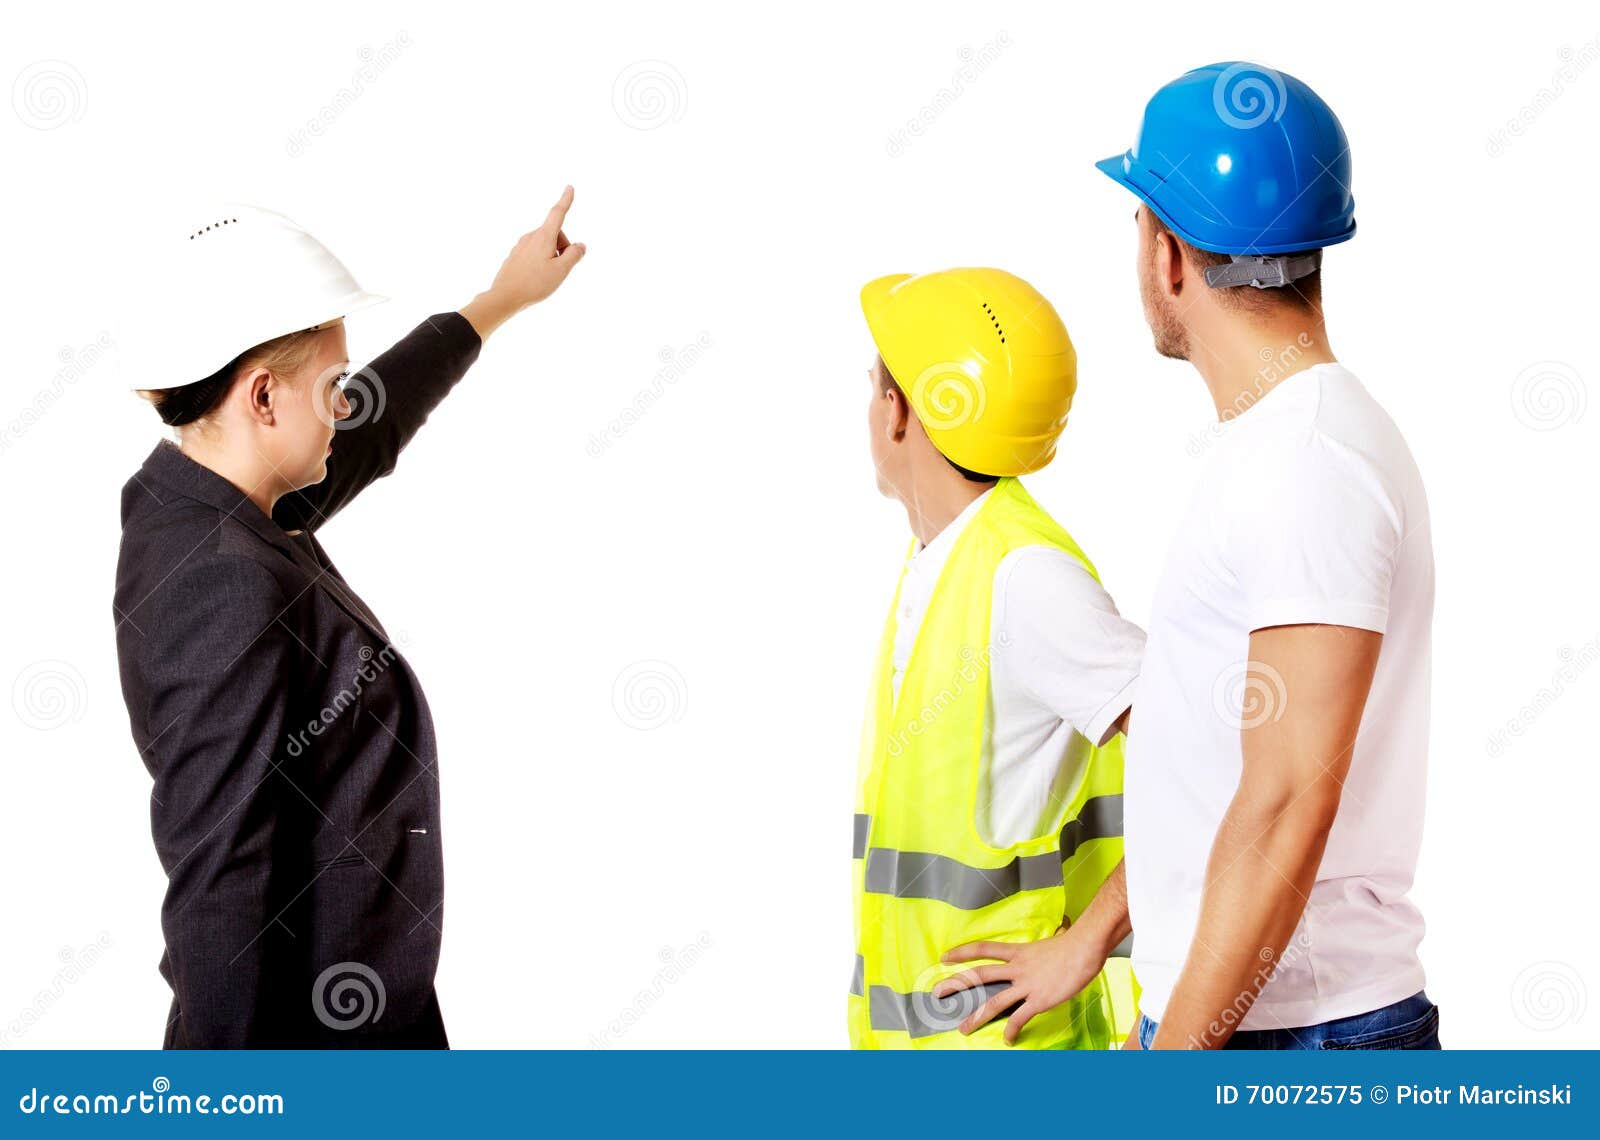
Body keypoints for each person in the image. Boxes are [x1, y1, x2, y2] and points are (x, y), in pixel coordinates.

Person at [112, 190, 586, 1047]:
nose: (346, 405)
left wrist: (498, 302)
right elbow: (222, 884)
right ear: (262, 398)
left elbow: (368, 432)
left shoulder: (201, 504)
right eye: (334, 386)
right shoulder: (221, 580)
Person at [1093, 62, 1438, 1049]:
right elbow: (1209, 773)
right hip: (1250, 1020)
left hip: (1296, 1036)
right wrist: (1108, 950)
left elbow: (1289, 796)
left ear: (1167, 254)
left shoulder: (1306, 462)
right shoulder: (1288, 446)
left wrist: (1176, 1060)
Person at [848, 267, 1144, 1048]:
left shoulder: (1025, 579)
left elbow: (1214, 762)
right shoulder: (945, 558)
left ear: (899, 412)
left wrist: (1087, 942)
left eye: (873, 386)